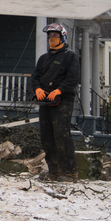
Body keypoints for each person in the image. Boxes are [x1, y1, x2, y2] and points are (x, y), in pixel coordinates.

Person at [32, 22, 80, 182]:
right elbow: (35, 77)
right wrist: (38, 89)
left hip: (62, 100)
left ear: (63, 37)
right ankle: (54, 171)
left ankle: (69, 172)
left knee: (61, 135)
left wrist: (59, 90)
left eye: (55, 36)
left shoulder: (70, 56)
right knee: (47, 137)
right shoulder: (44, 59)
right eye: (50, 36)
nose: (52, 38)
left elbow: (73, 78)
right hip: (45, 101)